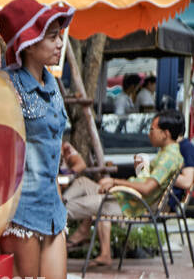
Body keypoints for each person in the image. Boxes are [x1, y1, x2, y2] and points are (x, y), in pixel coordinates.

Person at [0, 0, 73, 279]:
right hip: (21, 203)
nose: (60, 43)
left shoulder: (53, 84)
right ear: (28, 41)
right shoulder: (7, 85)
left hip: (51, 202)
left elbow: (55, 140)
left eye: (61, 36)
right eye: (52, 36)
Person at [65, 110, 186, 265]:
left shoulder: (168, 158)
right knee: (82, 182)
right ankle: (61, 203)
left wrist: (115, 182)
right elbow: (146, 179)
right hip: (125, 198)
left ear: (165, 133)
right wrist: (142, 167)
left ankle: (58, 218)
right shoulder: (166, 153)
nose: (149, 134)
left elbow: (147, 188)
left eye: (152, 130)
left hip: (130, 204)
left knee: (69, 208)